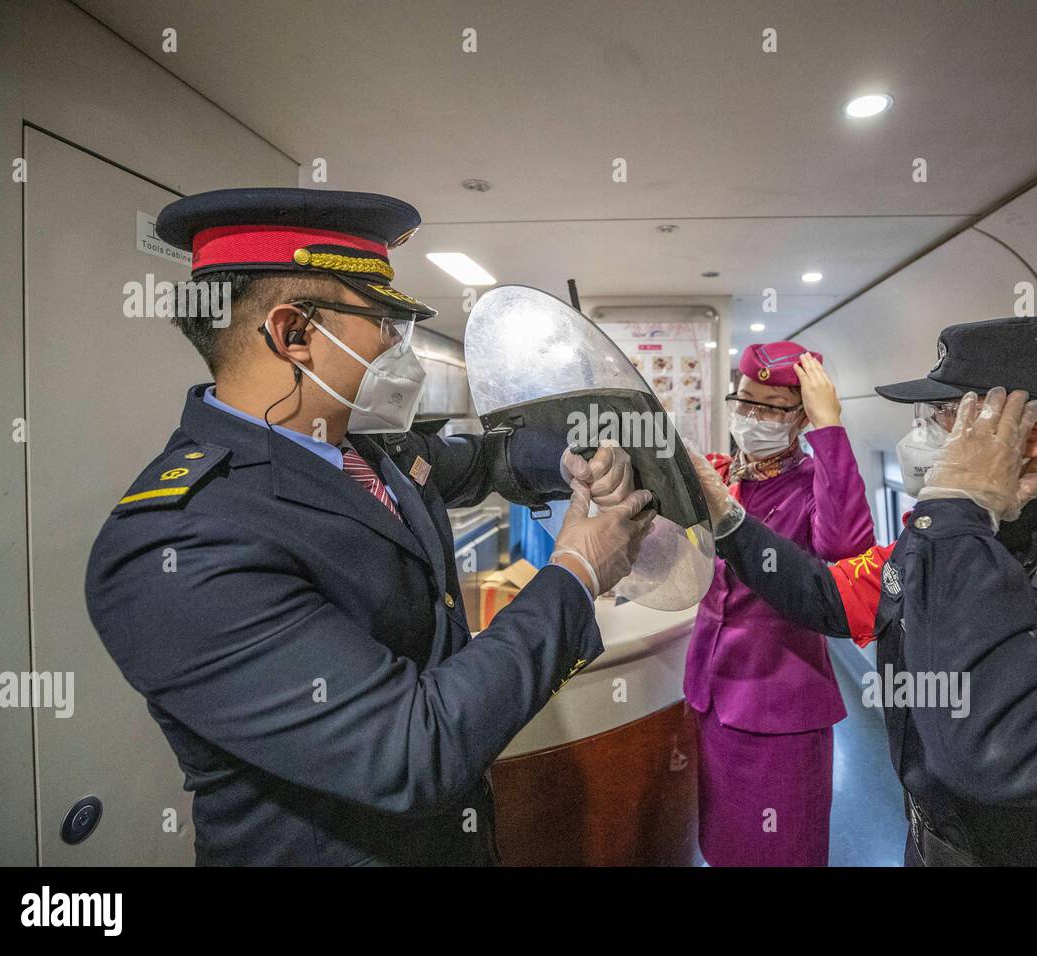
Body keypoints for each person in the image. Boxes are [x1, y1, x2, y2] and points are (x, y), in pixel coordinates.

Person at [85, 187, 653, 865]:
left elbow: (488, 459)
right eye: (384, 321)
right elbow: (413, 751)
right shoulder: (180, 543)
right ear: (293, 333)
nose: (396, 345)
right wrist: (577, 572)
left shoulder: (366, 450)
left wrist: (565, 459)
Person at [692, 316, 1037, 865]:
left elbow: (1004, 756)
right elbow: (827, 594)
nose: (920, 436)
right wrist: (726, 517)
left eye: (942, 417)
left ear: (1034, 436)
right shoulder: (941, 537)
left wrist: (956, 508)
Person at [686, 343, 873, 866]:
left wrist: (829, 428)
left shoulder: (816, 484)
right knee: (721, 844)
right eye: (745, 401)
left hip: (779, 705)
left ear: (800, 416)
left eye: (771, 407)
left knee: (779, 850)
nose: (752, 417)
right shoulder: (722, 476)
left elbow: (847, 553)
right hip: (709, 695)